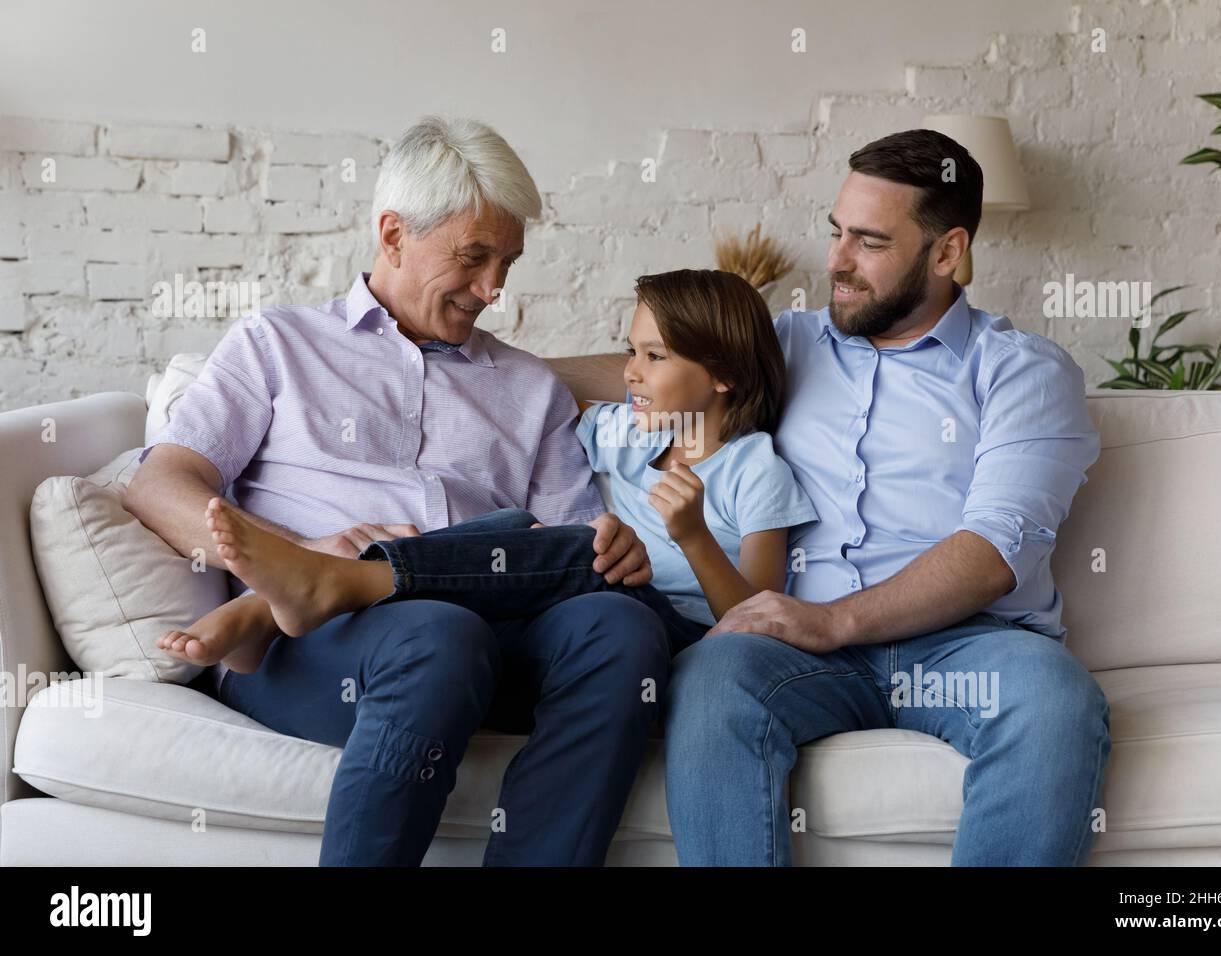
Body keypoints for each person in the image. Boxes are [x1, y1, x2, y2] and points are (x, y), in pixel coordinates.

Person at [546, 129, 1111, 867]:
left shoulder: (1022, 373)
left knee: (1054, 701)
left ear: (946, 253)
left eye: (870, 242)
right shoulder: (787, 344)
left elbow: (996, 547)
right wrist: (488, 372)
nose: (836, 262)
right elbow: (658, 370)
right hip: (798, 657)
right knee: (715, 681)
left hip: (964, 645)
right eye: (836, 233)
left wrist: (832, 620)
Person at [124, 116, 666, 867]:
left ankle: (354, 580)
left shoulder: (530, 387)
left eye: (507, 263)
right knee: (439, 634)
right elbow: (158, 484)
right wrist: (291, 553)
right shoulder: (277, 344)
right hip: (318, 649)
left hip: (495, 628)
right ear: (392, 235)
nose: (494, 289)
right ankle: (314, 584)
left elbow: (570, 550)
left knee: (619, 624)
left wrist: (613, 547)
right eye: (474, 258)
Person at [159, 268, 818, 671]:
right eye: (630, 351)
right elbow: (530, 388)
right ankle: (290, 601)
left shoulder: (756, 471)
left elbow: (757, 618)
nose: (630, 374)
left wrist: (694, 534)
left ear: (725, 375)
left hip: (673, 637)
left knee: (569, 545)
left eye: (654, 357)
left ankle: (326, 587)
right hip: (601, 601)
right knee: (510, 525)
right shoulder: (620, 430)